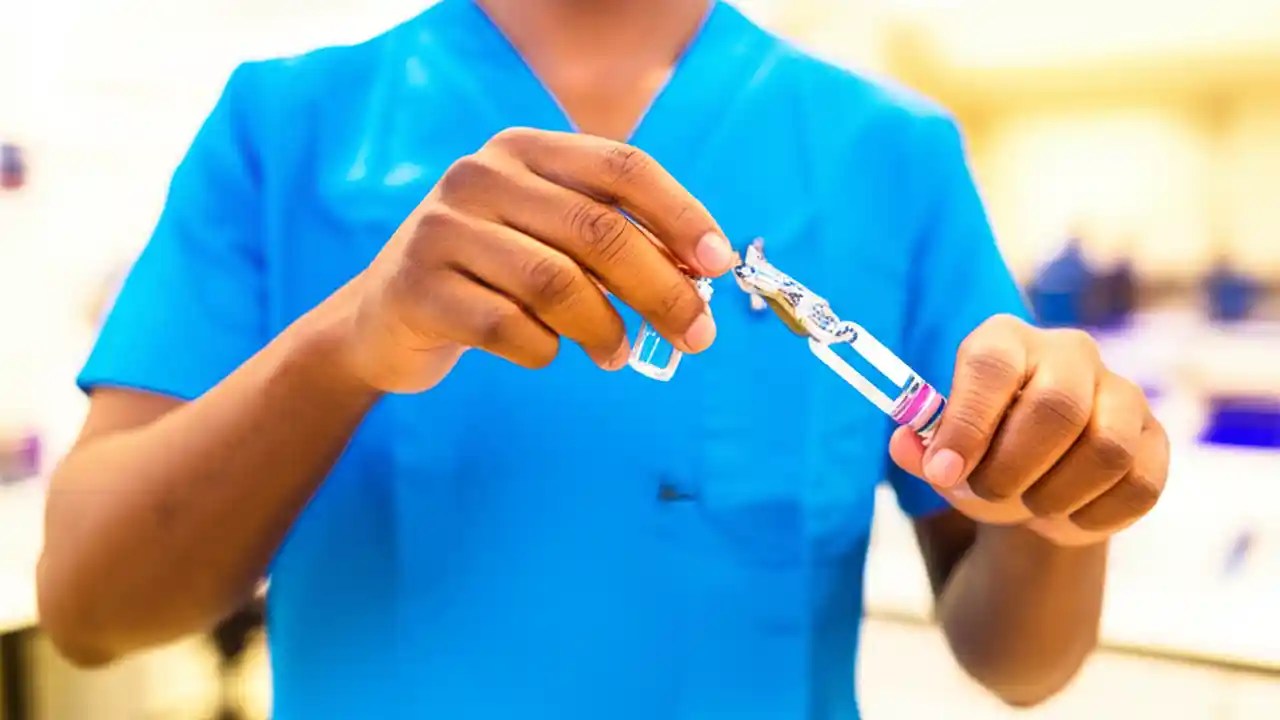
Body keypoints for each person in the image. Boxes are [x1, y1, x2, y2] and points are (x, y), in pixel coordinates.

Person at [37, 1, 1171, 718]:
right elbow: (90, 607)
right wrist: (347, 342)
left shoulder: (890, 154)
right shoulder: (283, 128)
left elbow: (1020, 662)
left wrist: (1063, 498)